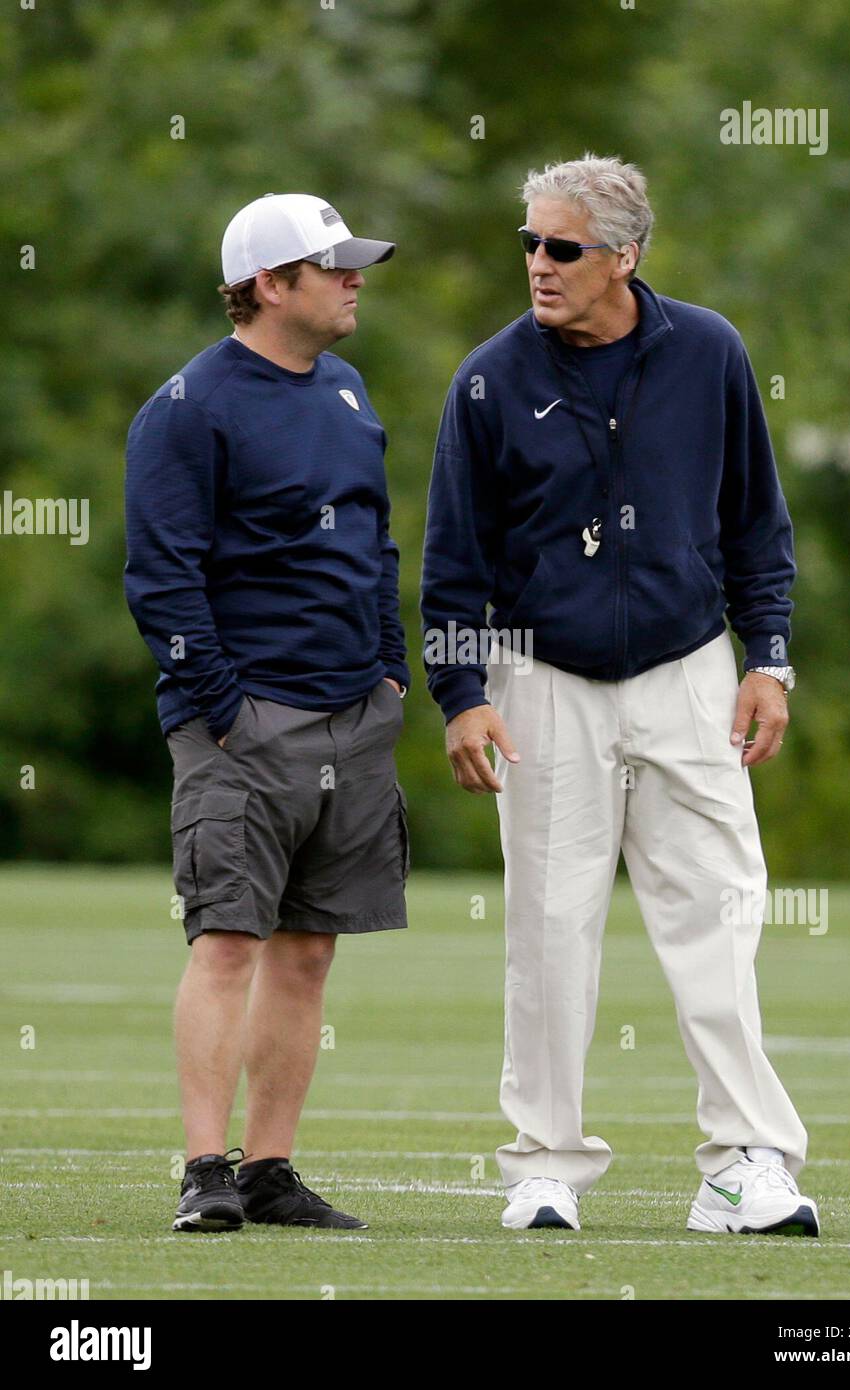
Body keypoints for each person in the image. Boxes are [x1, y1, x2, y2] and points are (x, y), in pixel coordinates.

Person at [420, 154, 818, 1236]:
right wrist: (460, 691)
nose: (538, 266)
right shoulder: (488, 379)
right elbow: (451, 559)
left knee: (719, 918)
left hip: (690, 673)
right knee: (549, 931)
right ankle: (543, 1162)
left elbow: (754, 525)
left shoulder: (712, 352)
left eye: (562, 247)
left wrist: (768, 659)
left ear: (624, 255)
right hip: (541, 678)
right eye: (529, 244)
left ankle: (743, 1161)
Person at [124, 192, 411, 1232]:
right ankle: (205, 1167)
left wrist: (388, 674)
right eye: (332, 267)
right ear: (268, 285)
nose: (354, 280)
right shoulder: (189, 405)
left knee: (308, 948)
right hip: (243, 722)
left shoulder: (344, 387)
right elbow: (161, 577)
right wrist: (225, 710)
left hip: (352, 713)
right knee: (228, 941)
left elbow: (373, 546)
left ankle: (269, 1171)